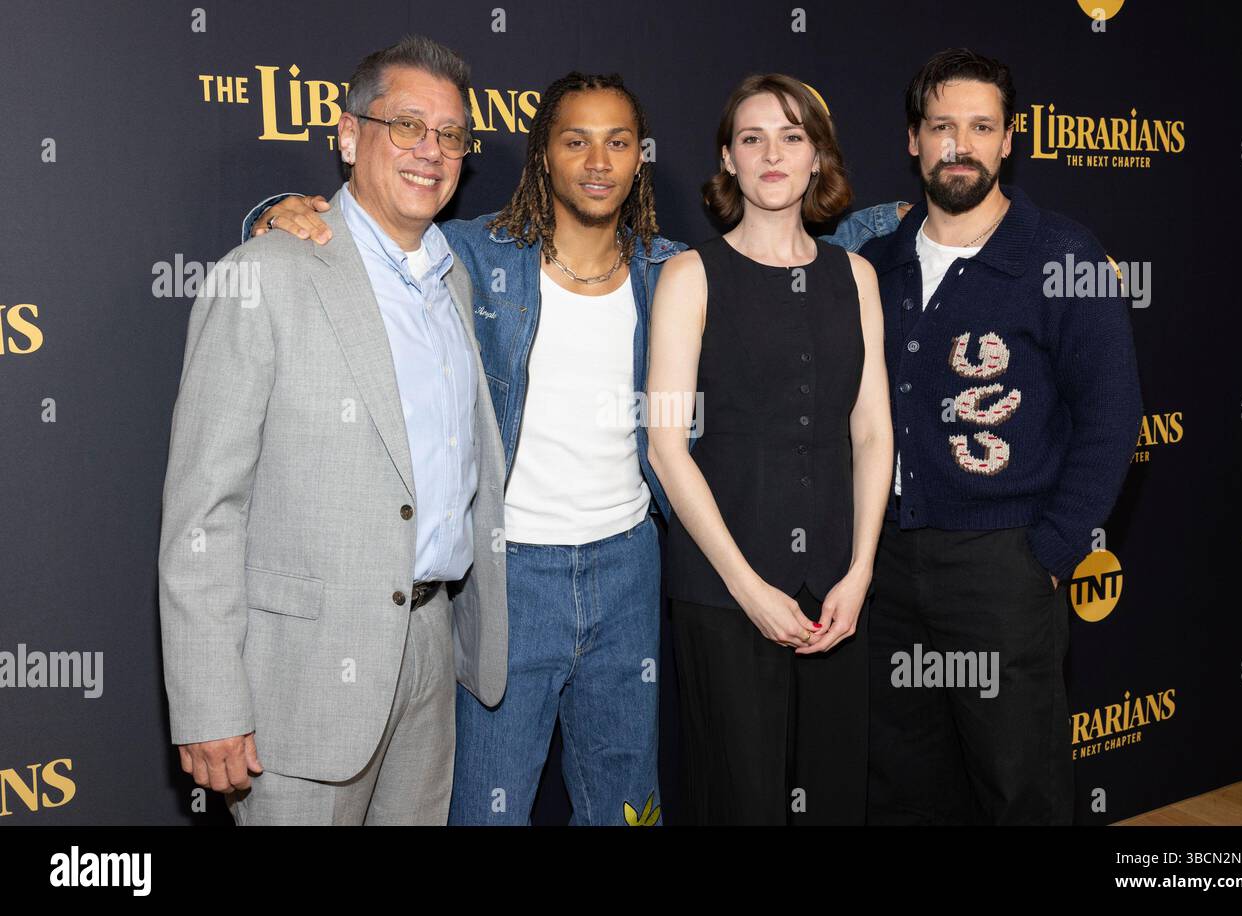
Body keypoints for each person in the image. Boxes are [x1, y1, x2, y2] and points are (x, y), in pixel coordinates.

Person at [249, 74, 906, 826]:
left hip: (629, 568)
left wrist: (892, 222)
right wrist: (278, 213)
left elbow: (786, 270)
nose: (599, 160)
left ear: (639, 160)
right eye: (576, 140)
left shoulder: (668, 268)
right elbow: (367, 245)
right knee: (485, 812)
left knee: (628, 811)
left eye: (618, 142)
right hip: (510, 575)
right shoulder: (469, 253)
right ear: (543, 157)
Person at [157, 35, 508, 825]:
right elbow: (204, 511)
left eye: (451, 135)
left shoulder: (450, 282)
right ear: (349, 137)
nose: (431, 151)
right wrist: (208, 699)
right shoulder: (266, 275)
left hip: (428, 651)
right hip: (300, 677)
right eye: (406, 126)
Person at [829, 48, 1143, 824]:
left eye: (979, 127)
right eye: (941, 126)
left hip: (1003, 568)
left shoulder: (1063, 258)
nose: (958, 145)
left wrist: (1049, 554)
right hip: (889, 567)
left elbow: (1111, 421)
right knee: (902, 783)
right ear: (913, 140)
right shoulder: (878, 263)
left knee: (1018, 788)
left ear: (1010, 141)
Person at [646, 73, 895, 825]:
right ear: (728, 159)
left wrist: (861, 570)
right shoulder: (688, 277)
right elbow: (664, 443)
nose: (773, 154)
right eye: (752, 138)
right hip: (723, 592)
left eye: (793, 136)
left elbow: (873, 429)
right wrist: (749, 590)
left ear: (818, 156)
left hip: (837, 592)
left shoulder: (856, 276)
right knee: (741, 802)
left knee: (832, 796)